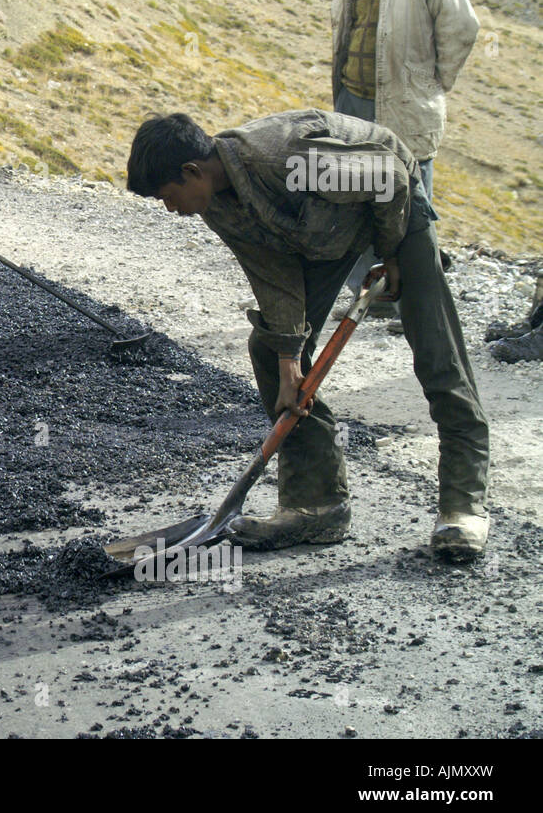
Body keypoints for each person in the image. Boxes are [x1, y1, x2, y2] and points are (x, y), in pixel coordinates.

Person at [127, 110, 490, 561]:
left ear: (192, 171)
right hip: (321, 234)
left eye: (168, 197)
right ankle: (317, 504)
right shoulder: (216, 204)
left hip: (390, 207)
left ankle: (462, 504)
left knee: (436, 354)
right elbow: (273, 275)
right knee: (268, 346)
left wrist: (391, 251)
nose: (171, 209)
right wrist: (288, 366)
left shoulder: (286, 158)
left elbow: (388, 177)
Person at [331, 0, 479, 320]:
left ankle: (418, 303)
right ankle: (371, 296)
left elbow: (461, 28)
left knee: (411, 206)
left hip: (405, 109)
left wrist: (430, 83)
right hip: (354, 105)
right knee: (359, 200)